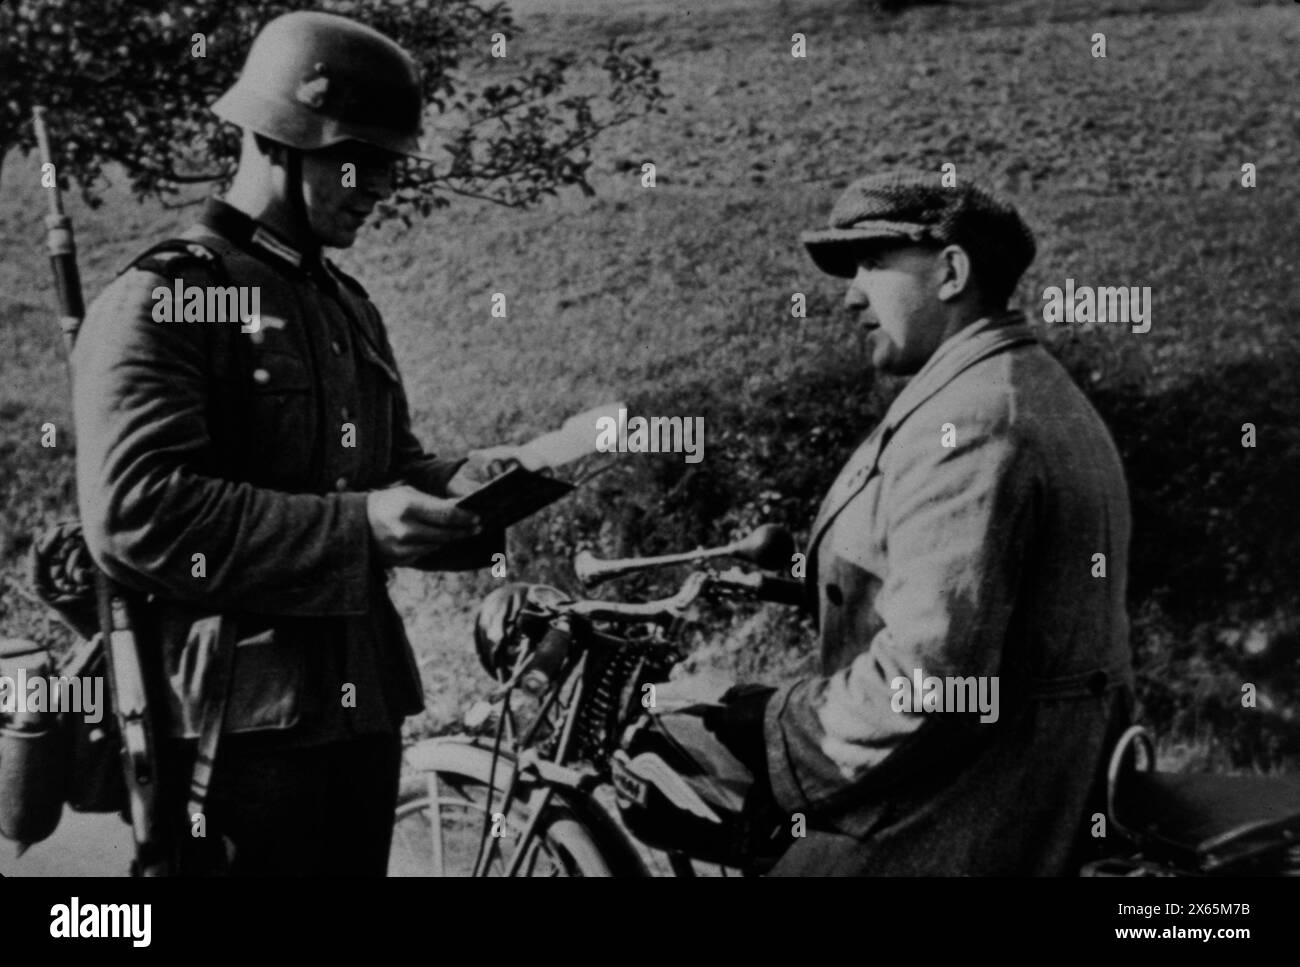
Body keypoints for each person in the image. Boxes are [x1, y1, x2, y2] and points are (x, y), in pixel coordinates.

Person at [72, 11, 518, 875]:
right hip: (232, 737)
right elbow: (136, 512)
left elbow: (381, 471)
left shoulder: (345, 303)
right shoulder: (171, 297)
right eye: (365, 158)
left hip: (359, 715)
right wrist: (359, 528)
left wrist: (470, 486)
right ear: (280, 138)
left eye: (392, 162)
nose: (383, 185)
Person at [708, 172, 1136, 875]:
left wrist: (774, 728)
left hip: (970, 812)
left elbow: (929, 678)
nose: (850, 295)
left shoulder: (972, 420)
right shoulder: (1017, 385)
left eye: (872, 264)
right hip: (1023, 783)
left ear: (951, 270)